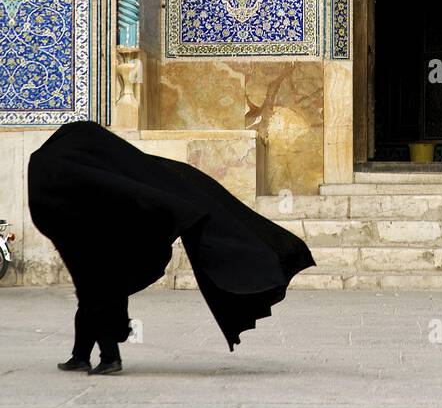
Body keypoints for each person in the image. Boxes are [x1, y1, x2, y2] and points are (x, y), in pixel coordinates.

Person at [29, 122, 316, 375]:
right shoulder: (93, 173)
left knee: (96, 295)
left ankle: (108, 358)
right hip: (97, 246)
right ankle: (80, 356)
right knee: (94, 295)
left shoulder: (60, 167)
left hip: (90, 248)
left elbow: (51, 208)